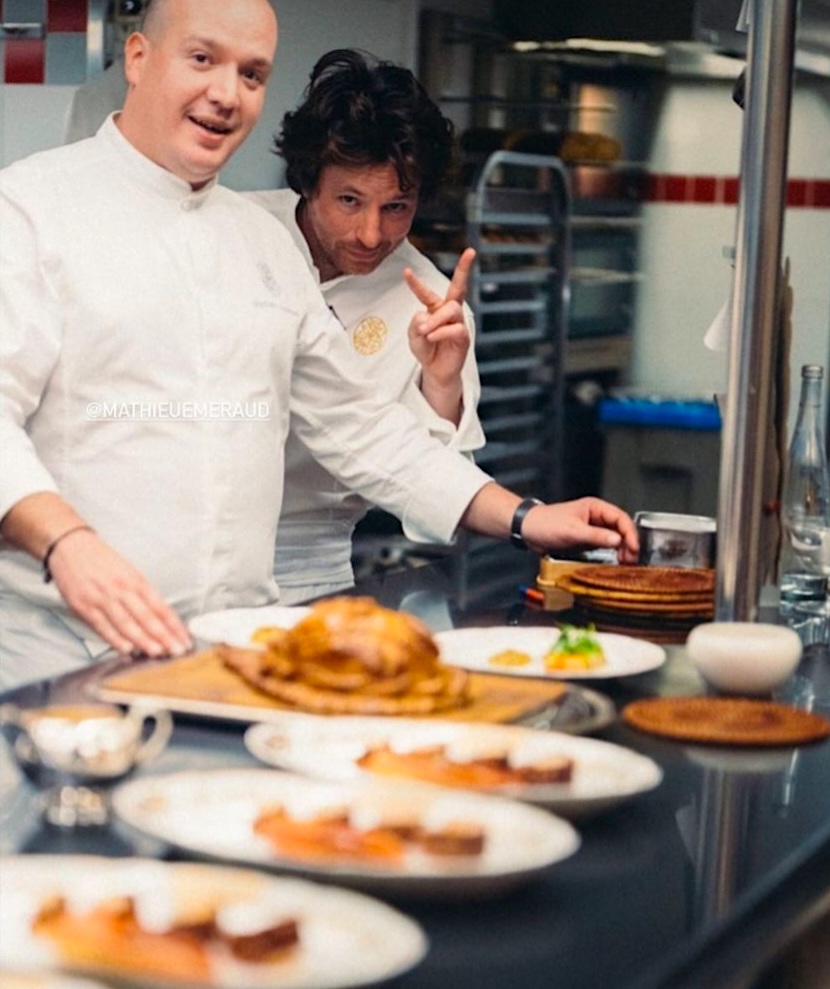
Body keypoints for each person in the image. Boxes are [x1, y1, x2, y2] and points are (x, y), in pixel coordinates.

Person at [0, 0, 638, 691]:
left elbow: (361, 429)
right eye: (202, 59)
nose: (225, 94)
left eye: (251, 73)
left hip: (226, 650)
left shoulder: (261, 243)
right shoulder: (32, 209)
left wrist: (527, 517)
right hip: (59, 652)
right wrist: (69, 541)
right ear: (138, 57)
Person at [245, 49, 485, 602]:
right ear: (308, 182)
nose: (372, 235)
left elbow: (434, 507)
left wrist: (442, 384)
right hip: (179, 556)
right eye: (349, 201)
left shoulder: (430, 307)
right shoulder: (237, 231)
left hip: (311, 571)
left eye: (397, 207)